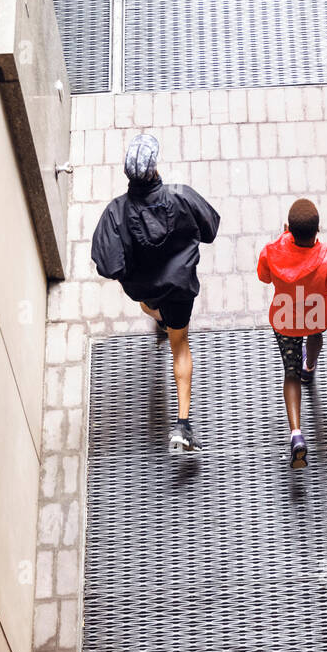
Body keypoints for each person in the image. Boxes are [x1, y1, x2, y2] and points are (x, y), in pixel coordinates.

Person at [91, 133, 220, 453]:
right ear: (155, 168)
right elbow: (211, 229)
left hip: (146, 290)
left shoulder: (114, 213)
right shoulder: (181, 196)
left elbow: (108, 265)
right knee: (180, 344)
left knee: (151, 310)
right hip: (179, 288)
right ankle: (183, 425)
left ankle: (158, 319)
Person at [257, 198, 327, 468]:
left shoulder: (272, 250)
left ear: (288, 228)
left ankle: (296, 434)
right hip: (316, 316)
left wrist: (283, 240)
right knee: (315, 336)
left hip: (285, 319)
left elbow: (264, 277)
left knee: (288, 374)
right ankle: (310, 366)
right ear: (318, 230)